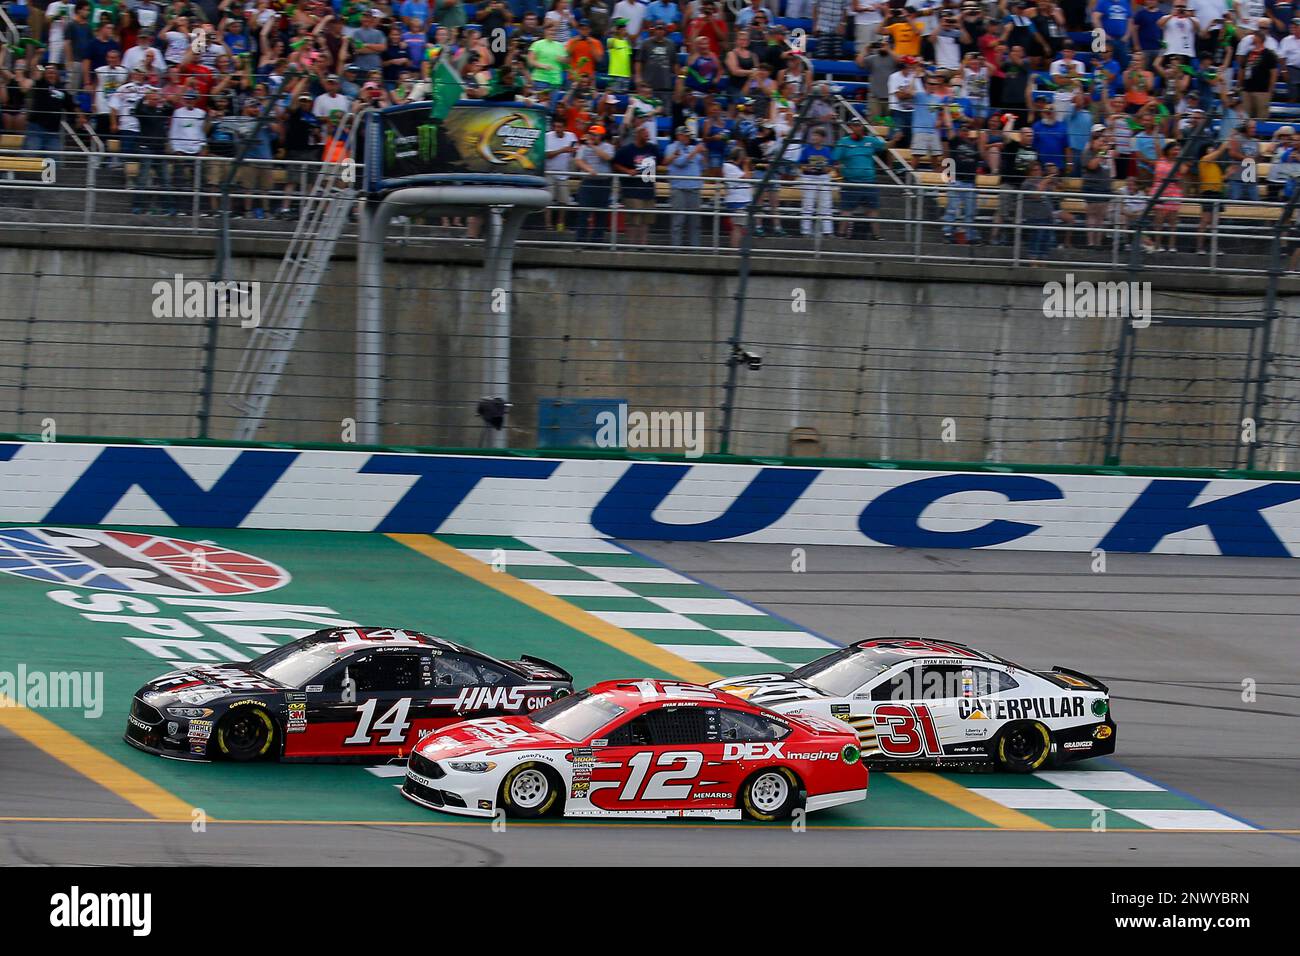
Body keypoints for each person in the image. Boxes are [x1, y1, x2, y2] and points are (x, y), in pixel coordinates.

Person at [834, 115, 887, 239]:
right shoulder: (844, 142)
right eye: (854, 126)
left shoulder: (870, 140)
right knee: (846, 209)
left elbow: (884, 146)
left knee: (873, 209)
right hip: (851, 182)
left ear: (862, 127)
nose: (857, 128)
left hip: (869, 182)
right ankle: (840, 234)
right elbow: (835, 159)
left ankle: (876, 235)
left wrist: (894, 140)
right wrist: (839, 171)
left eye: (859, 125)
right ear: (850, 127)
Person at [612, 121, 661, 245]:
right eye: (644, 132)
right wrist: (627, 170)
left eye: (647, 133)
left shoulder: (652, 148)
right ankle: (631, 246)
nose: (647, 134)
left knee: (646, 221)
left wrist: (675, 155)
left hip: (648, 190)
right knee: (634, 221)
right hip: (632, 190)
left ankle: (643, 245)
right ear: (637, 134)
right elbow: (615, 163)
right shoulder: (627, 150)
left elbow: (663, 161)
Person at [663, 124, 706, 245]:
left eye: (688, 135)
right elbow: (680, 163)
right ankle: (676, 250)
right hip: (679, 188)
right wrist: (696, 152)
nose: (687, 137)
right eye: (685, 135)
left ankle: (695, 250)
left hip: (694, 188)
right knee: (678, 221)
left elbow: (704, 166)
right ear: (678, 135)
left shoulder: (693, 148)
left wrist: (704, 154)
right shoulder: (672, 148)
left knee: (695, 222)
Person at [942, 121, 984, 243]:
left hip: (970, 182)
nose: (964, 131)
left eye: (967, 130)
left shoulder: (974, 146)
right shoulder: (955, 142)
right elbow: (949, 126)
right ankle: (948, 233)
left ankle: (970, 236)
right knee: (952, 209)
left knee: (970, 212)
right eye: (962, 129)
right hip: (956, 180)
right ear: (959, 131)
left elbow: (982, 154)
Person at [574, 122, 614, 241]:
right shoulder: (583, 147)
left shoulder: (608, 146)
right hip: (588, 182)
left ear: (601, 136)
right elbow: (578, 160)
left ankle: (597, 241)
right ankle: (580, 240)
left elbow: (608, 157)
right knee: (584, 212)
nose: (593, 136)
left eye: (596, 135)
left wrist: (593, 147)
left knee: (601, 213)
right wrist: (588, 169)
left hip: (603, 183)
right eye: (591, 134)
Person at [1079, 124, 1115, 248]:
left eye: (1102, 139)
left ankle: (1098, 243)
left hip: (1105, 187)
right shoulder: (1087, 152)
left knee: (1101, 216)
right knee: (1092, 215)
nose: (1101, 142)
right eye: (1098, 139)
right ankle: (1090, 242)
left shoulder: (1106, 152)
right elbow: (1092, 166)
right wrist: (1101, 153)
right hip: (1092, 186)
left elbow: (1111, 167)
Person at [797, 125, 836, 237]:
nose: (814, 137)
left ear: (823, 138)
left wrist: (825, 169)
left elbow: (831, 166)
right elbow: (800, 164)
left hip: (823, 177)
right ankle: (805, 231)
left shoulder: (827, 150)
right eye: (813, 135)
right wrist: (807, 168)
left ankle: (828, 231)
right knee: (808, 205)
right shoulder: (806, 149)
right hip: (809, 177)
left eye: (817, 135)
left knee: (826, 204)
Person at [546, 112, 579, 230]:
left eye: (559, 127)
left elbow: (575, 152)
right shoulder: (547, 136)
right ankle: (548, 225)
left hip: (564, 173)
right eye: (555, 127)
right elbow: (547, 155)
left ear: (565, 127)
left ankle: (560, 224)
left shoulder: (571, 136)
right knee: (548, 200)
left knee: (564, 201)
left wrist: (574, 150)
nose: (557, 129)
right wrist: (562, 150)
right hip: (549, 172)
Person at [721, 144, 753, 248]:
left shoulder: (734, 167)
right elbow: (747, 177)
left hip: (741, 200)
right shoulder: (729, 167)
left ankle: (736, 249)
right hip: (738, 201)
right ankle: (734, 250)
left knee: (738, 227)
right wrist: (746, 165)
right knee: (737, 227)